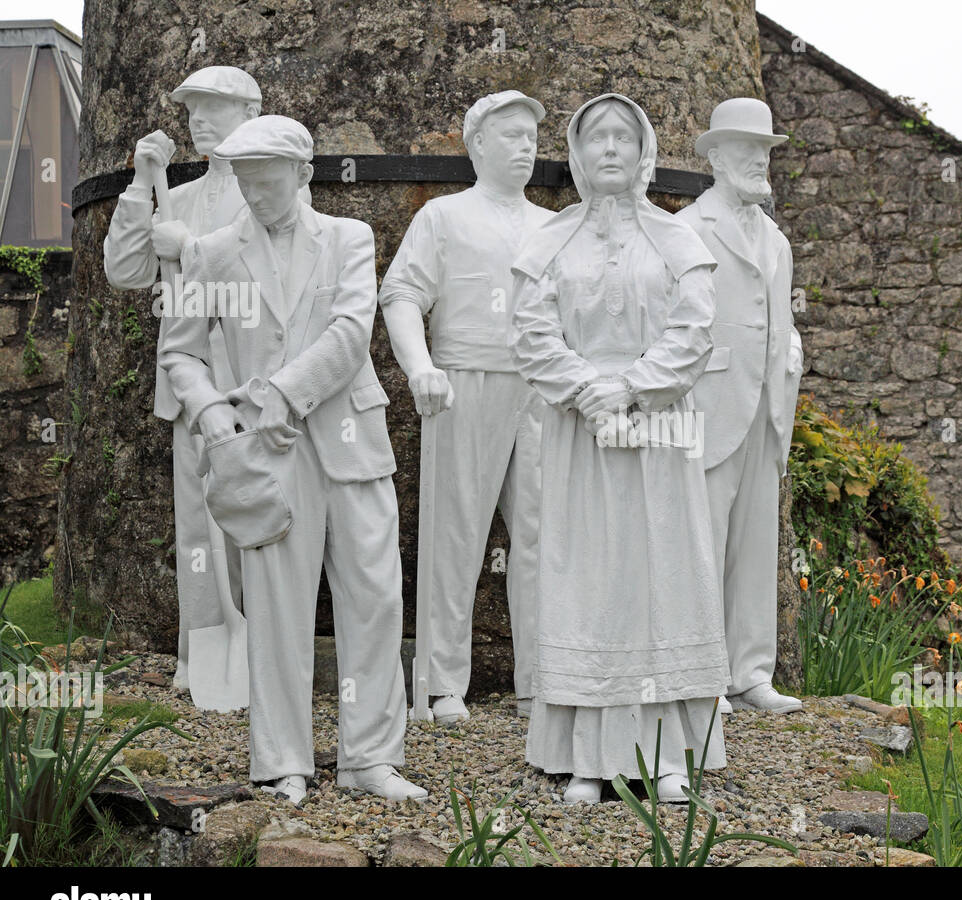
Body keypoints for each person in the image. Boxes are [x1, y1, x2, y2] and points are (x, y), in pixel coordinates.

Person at [156, 115, 424, 804]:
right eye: (245, 182)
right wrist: (214, 414)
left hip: (349, 440)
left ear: (303, 175)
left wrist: (281, 391)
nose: (255, 195)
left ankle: (369, 757)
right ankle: (282, 761)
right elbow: (180, 354)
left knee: (375, 597)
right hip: (264, 455)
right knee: (277, 609)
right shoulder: (212, 253)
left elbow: (348, 332)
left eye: (268, 182)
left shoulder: (348, 239)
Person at [510, 93, 729, 805]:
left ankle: (665, 754)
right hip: (580, 434)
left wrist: (632, 389)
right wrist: (587, 392)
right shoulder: (550, 242)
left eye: (622, 137)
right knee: (591, 583)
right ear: (576, 153)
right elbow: (531, 333)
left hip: (659, 431)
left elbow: (694, 332)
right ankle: (589, 757)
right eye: (596, 137)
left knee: (661, 579)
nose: (609, 148)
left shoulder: (675, 241)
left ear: (644, 153)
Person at [103, 66, 307, 697]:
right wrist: (142, 187)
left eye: (215, 107)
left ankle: (268, 650)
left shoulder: (272, 196)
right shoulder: (178, 195)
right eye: (193, 109)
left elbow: (276, 273)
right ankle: (201, 649)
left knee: (262, 515)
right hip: (189, 384)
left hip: (253, 384)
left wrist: (188, 246)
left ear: (251, 108)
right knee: (197, 531)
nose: (200, 119)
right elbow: (123, 270)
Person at [380, 91, 552, 725]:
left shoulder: (552, 226)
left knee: (541, 536)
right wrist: (421, 367)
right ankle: (441, 681)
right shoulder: (443, 218)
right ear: (476, 144)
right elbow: (400, 295)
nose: (525, 145)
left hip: (539, 388)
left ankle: (541, 679)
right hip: (465, 381)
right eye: (510, 134)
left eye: (531, 135)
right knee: (455, 535)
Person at [677, 98, 804, 713]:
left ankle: (750, 672)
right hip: (711, 398)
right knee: (702, 535)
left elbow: (778, 319)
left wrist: (789, 360)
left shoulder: (776, 240)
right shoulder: (689, 227)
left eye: (767, 150)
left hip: (766, 404)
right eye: (749, 149)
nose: (761, 160)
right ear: (718, 157)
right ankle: (701, 672)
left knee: (755, 540)